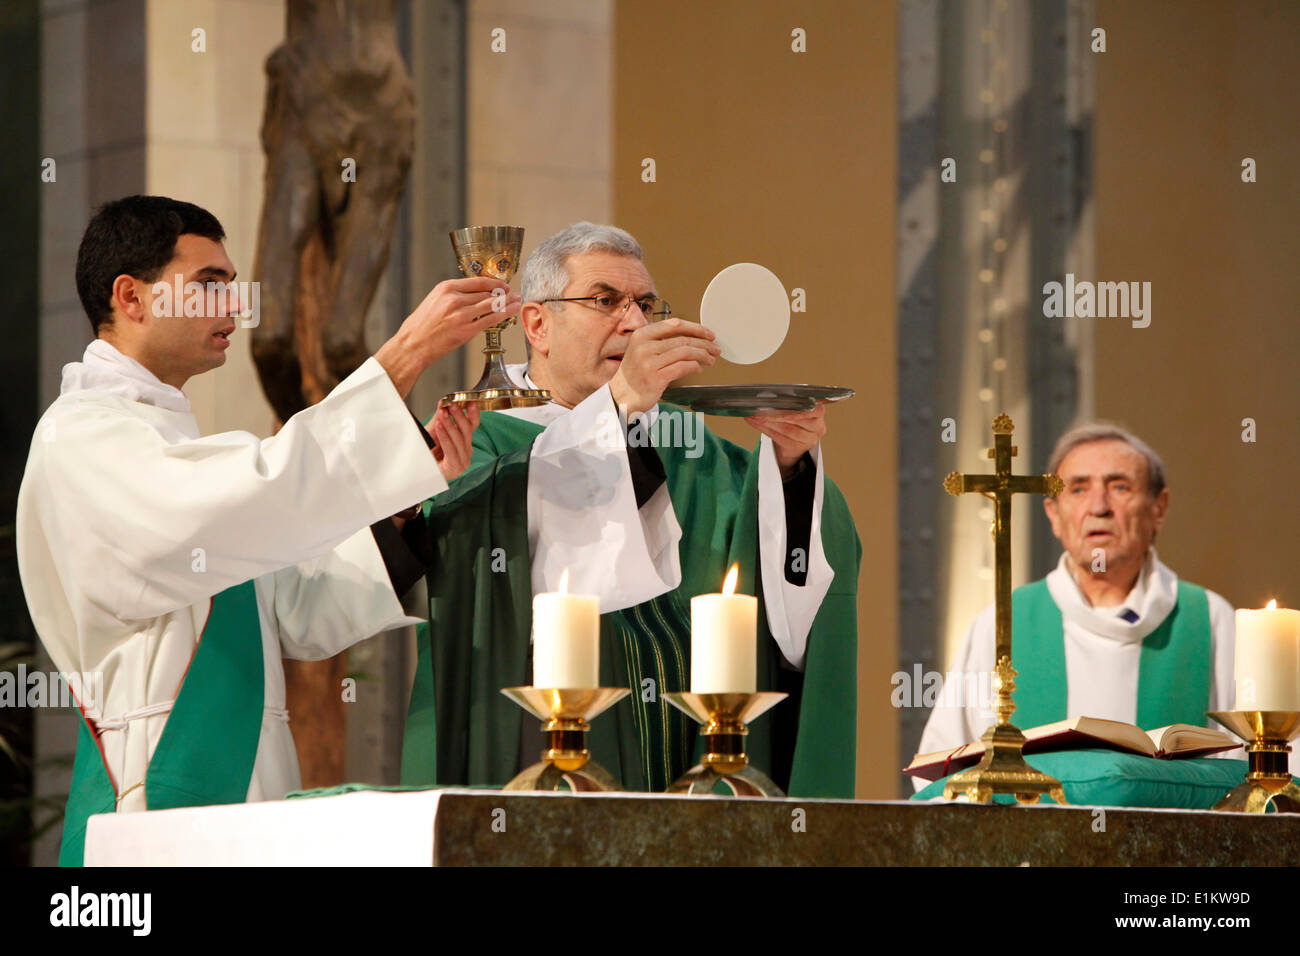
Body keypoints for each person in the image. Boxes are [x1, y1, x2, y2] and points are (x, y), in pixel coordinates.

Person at [16, 195, 508, 863]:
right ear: (131, 297)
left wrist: (401, 511)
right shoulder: (81, 435)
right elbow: (221, 510)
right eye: (208, 286)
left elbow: (295, 613)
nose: (233, 309)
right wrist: (401, 359)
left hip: (250, 787)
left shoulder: (169, 447)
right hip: (154, 789)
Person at [396, 222, 860, 797]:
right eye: (605, 301)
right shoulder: (471, 441)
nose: (635, 322)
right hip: (541, 758)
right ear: (536, 325)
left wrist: (791, 468)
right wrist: (615, 406)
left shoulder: (697, 451)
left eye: (645, 304)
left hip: (692, 755)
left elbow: (787, 556)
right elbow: (478, 564)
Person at [913, 422, 1248, 787]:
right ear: (1054, 515)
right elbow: (944, 769)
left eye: (1120, 487)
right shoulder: (1004, 622)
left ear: (1159, 508)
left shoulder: (1210, 620)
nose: (1099, 507)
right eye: (1078, 489)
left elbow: (1260, 766)